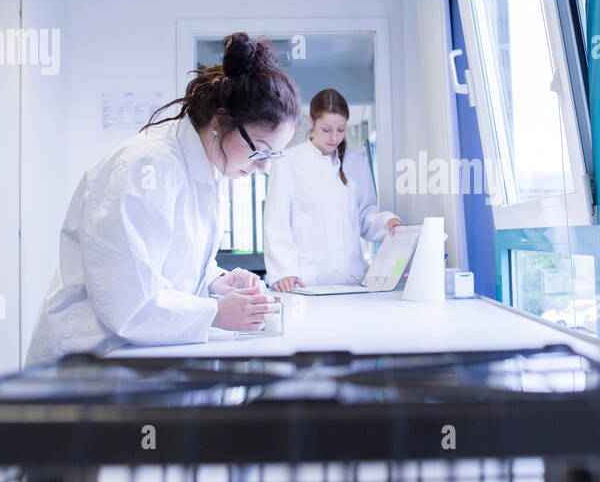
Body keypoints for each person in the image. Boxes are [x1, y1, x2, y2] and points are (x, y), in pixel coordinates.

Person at [26, 33, 299, 365]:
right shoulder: (145, 167)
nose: (263, 166)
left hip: (141, 357)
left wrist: (215, 281)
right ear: (221, 121)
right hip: (93, 359)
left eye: (274, 156)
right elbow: (129, 303)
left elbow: (165, 260)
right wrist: (217, 313)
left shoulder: (207, 167)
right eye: (260, 149)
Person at [264, 88, 400, 291]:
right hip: (305, 283)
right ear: (311, 122)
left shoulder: (357, 163)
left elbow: (364, 216)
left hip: (351, 281)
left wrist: (385, 221)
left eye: (341, 130)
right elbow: (277, 222)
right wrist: (283, 271)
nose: (334, 137)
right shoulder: (288, 162)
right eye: (326, 129)